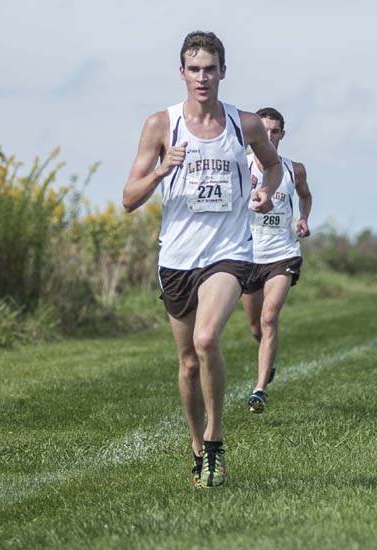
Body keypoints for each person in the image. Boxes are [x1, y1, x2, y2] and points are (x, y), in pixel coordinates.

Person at [122, 31, 282, 489]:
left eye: (210, 68)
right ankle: (197, 450)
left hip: (229, 253)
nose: (202, 77)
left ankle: (215, 440)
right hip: (177, 257)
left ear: (223, 72)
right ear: (182, 74)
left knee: (208, 338)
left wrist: (265, 192)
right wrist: (161, 169)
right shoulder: (160, 126)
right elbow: (128, 199)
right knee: (189, 362)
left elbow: (271, 166)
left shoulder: (245, 124)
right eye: (194, 69)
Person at [241, 107, 312, 414]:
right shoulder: (239, 167)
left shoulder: (294, 169)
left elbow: (306, 195)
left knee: (270, 318)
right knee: (256, 327)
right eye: (264, 130)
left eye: (275, 131)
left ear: (282, 134)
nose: (269, 136)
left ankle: (259, 390)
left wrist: (303, 218)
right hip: (246, 255)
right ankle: (266, 362)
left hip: (282, 253)